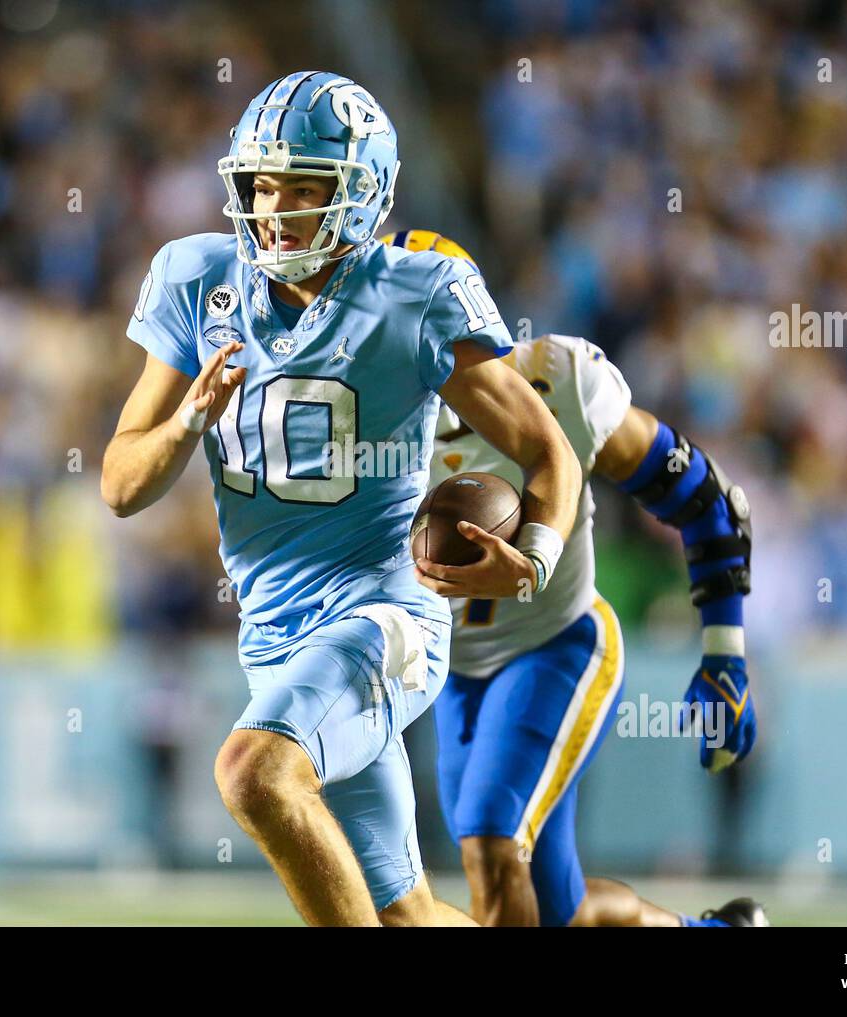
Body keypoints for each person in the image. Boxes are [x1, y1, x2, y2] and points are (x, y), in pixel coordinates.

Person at [102, 74, 582, 926]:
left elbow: (547, 449)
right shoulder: (196, 279)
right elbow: (120, 484)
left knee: (253, 770)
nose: (275, 206)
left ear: (360, 195)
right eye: (262, 182)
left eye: (305, 185)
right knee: (407, 915)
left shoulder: (415, 295)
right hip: (274, 635)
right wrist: (186, 424)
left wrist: (536, 556)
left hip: (387, 612)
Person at [387, 228, 764, 927]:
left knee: (492, 843)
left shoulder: (560, 382)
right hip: (455, 677)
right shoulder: (355, 424)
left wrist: (725, 653)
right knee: (559, 908)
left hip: (559, 645)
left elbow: (709, 500)